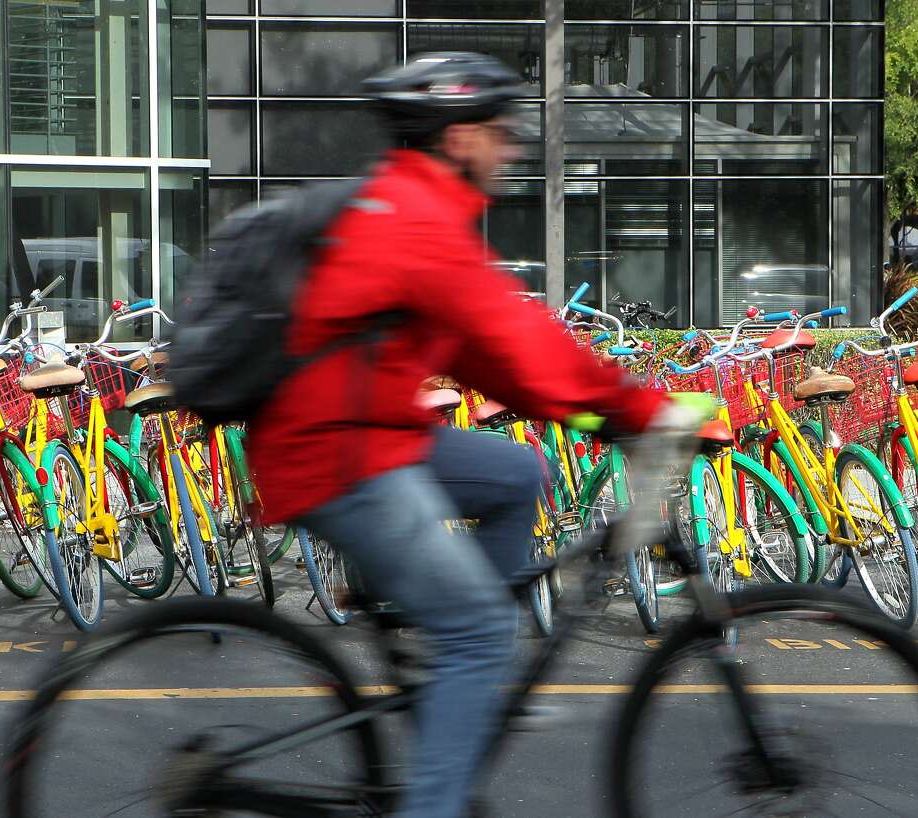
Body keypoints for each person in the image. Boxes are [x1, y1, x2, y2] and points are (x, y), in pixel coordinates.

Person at [248, 52, 707, 818]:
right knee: (480, 629)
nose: (512, 147)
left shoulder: (415, 210)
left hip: (364, 431)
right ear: (459, 138)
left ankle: (435, 649)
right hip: (336, 452)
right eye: (500, 131)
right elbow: (518, 347)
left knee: (517, 475)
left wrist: (596, 412)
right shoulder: (421, 221)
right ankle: (451, 701)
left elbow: (488, 354)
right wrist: (635, 413)